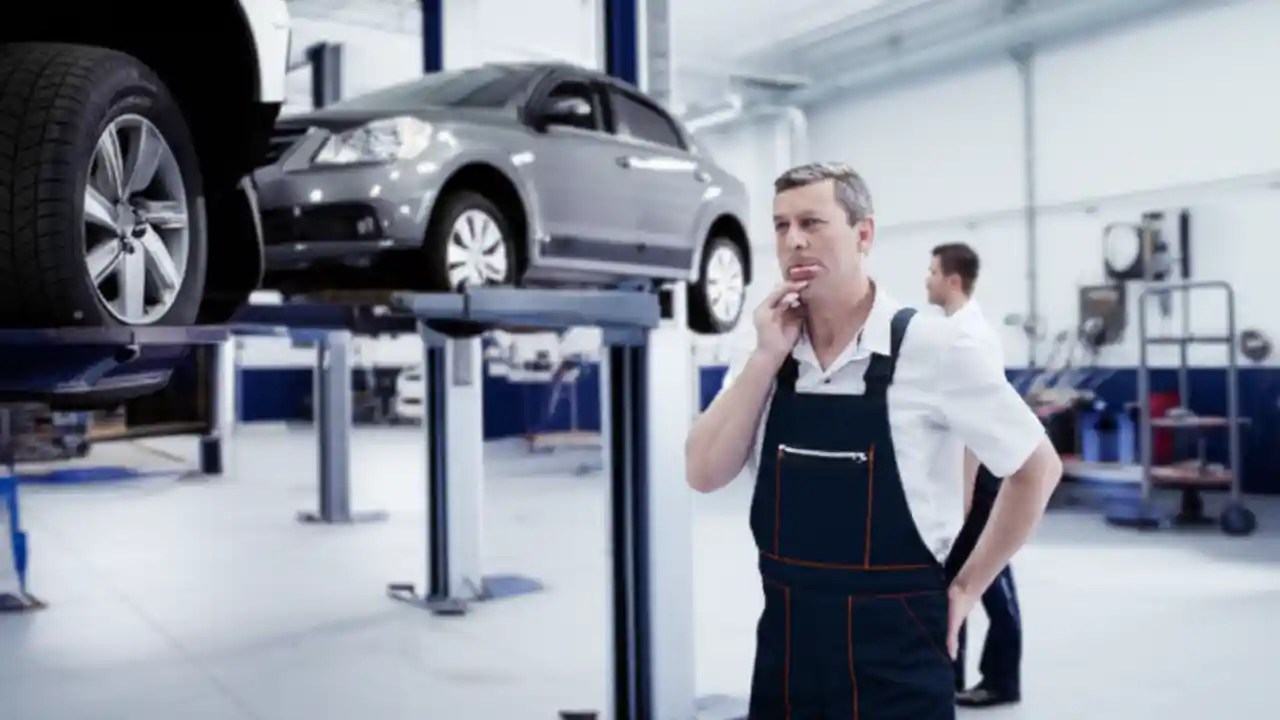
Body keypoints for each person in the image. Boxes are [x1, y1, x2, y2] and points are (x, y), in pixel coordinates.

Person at [685, 162, 1061, 719]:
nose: (794, 240)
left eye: (812, 222)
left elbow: (1037, 466)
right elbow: (703, 471)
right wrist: (765, 357)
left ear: (864, 234)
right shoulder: (766, 346)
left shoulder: (934, 347)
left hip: (899, 654)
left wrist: (968, 587)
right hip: (787, 653)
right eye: (782, 225)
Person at [926, 242, 1024, 709]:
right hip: (969, 473)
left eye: (931, 272)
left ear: (952, 280)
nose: (926, 280)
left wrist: (965, 491)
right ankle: (953, 677)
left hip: (980, 474)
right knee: (963, 579)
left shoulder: (969, 336)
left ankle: (1001, 681)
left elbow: (975, 423)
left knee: (986, 577)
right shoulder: (958, 329)